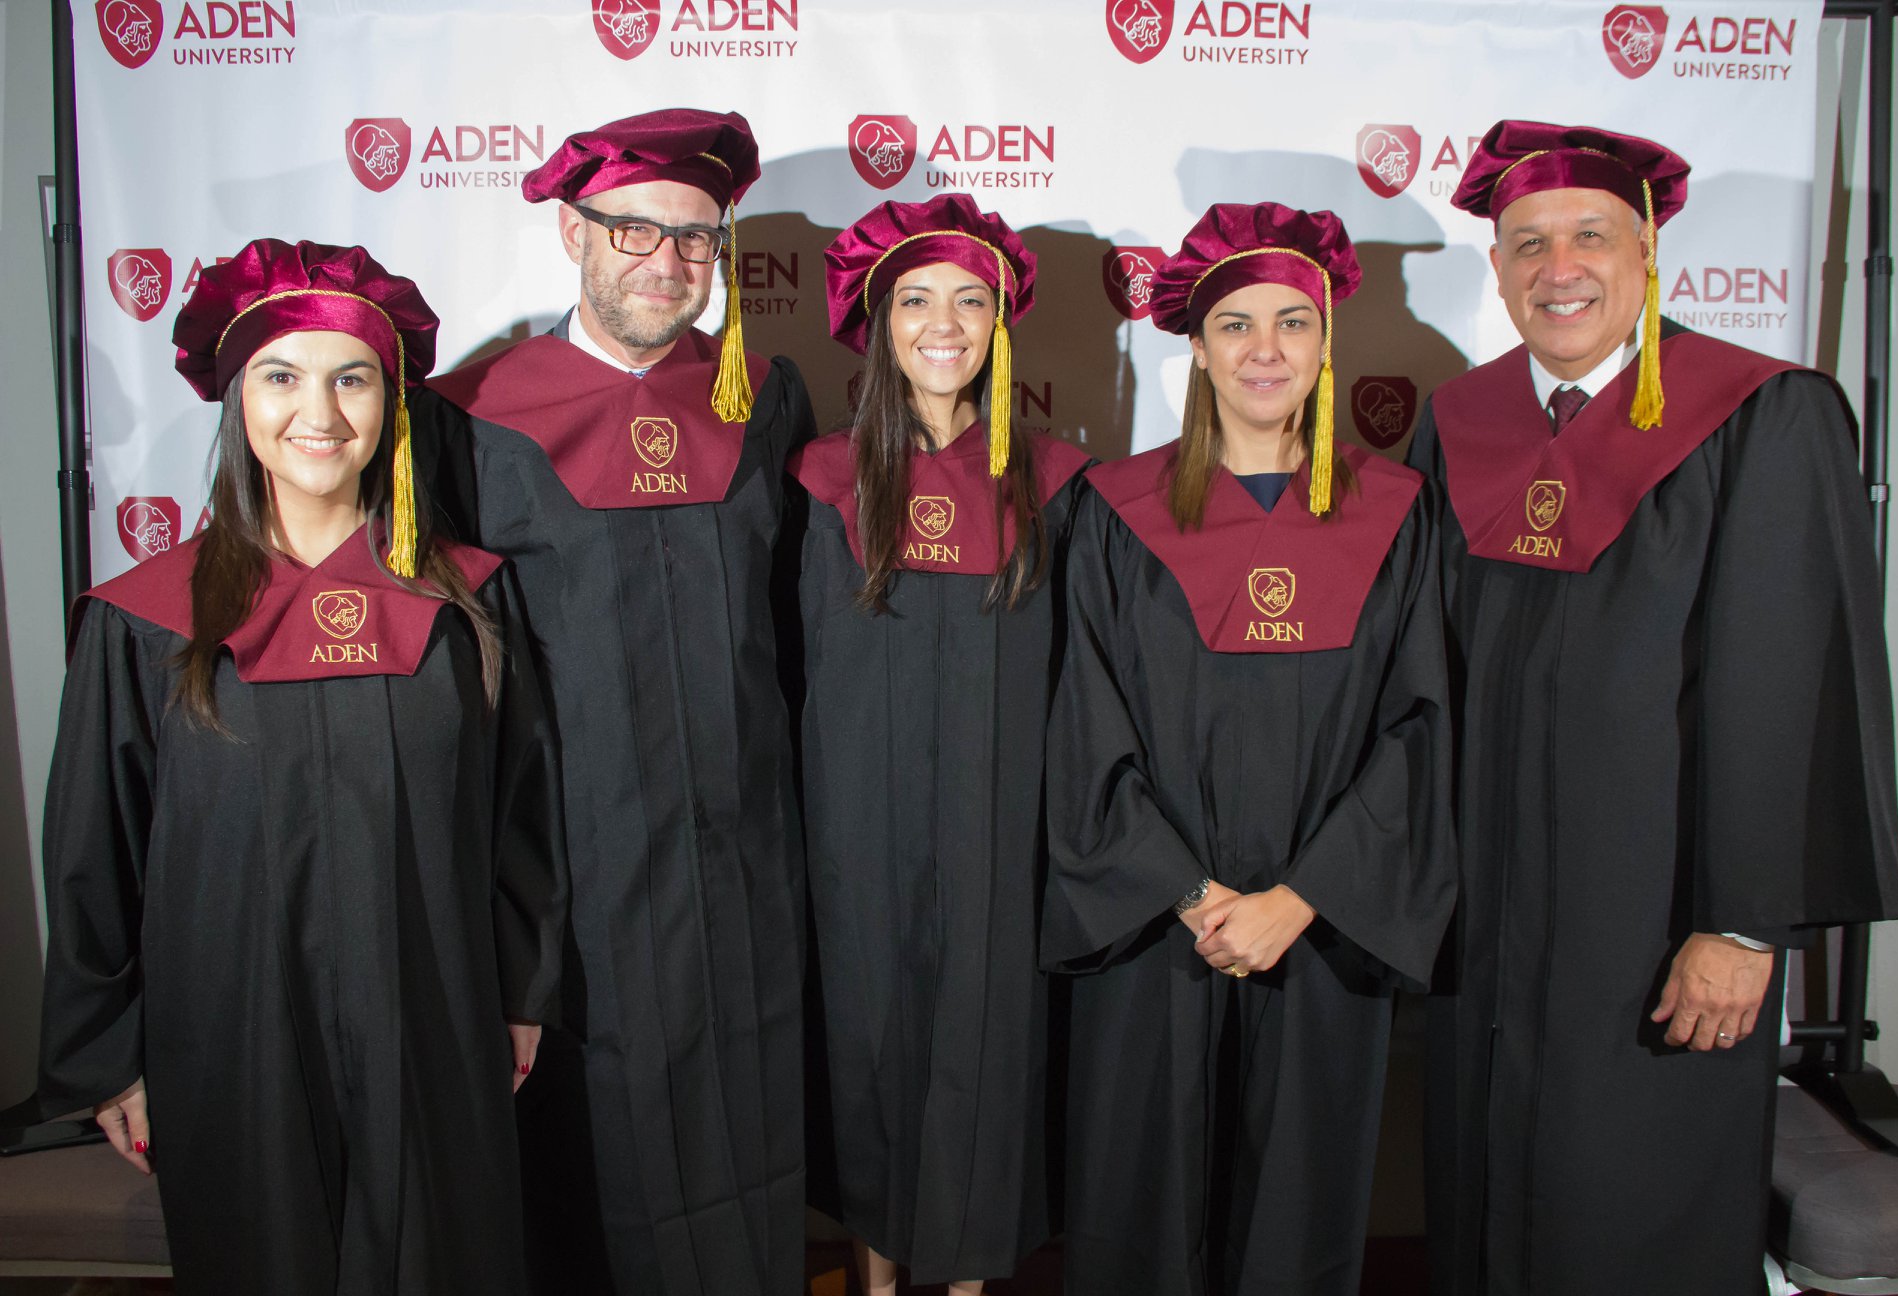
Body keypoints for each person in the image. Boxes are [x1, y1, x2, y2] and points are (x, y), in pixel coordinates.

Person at [1409, 119, 1898, 1296]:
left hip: (1658, 919)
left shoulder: (1758, 414)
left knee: (1627, 1208)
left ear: (1649, 254)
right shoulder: (1461, 424)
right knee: (1481, 1201)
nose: (1558, 267)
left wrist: (1741, 928)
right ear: (1496, 270)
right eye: (1526, 244)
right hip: (1488, 919)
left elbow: (1786, 687)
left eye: (1590, 234)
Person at [36, 239, 566, 1295]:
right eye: (282, 375)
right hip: (229, 1029)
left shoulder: (466, 605)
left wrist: (521, 993)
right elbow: (97, 854)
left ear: (389, 404)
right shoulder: (147, 620)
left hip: (435, 1012)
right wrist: (110, 1056)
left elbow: (522, 816)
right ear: (237, 400)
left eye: (351, 378)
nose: (317, 412)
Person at [413, 108, 817, 1295]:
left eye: (696, 240)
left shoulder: (761, 402)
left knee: (751, 1144)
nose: (667, 261)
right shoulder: (470, 419)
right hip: (572, 883)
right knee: (597, 1178)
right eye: (634, 229)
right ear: (570, 229)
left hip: (749, 868)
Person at [1041, 203, 1455, 1295]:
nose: (1264, 349)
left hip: (1320, 935)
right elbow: (1086, 722)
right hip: (1155, 931)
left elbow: (1418, 732)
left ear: (1327, 343)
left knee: (1298, 1215)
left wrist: (1299, 900)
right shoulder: (1115, 512)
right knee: (1141, 1201)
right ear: (1196, 343)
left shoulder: (1398, 512)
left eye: (1291, 322)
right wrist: (1187, 894)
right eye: (1235, 324)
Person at [788, 193, 1092, 1295]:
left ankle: (966, 1282)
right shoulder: (818, 483)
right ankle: (874, 1277)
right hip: (853, 832)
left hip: (999, 832)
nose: (945, 322)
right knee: (871, 1044)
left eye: (972, 299)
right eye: (916, 298)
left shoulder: (1059, 487)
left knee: (982, 1050)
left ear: (1002, 325)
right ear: (878, 323)